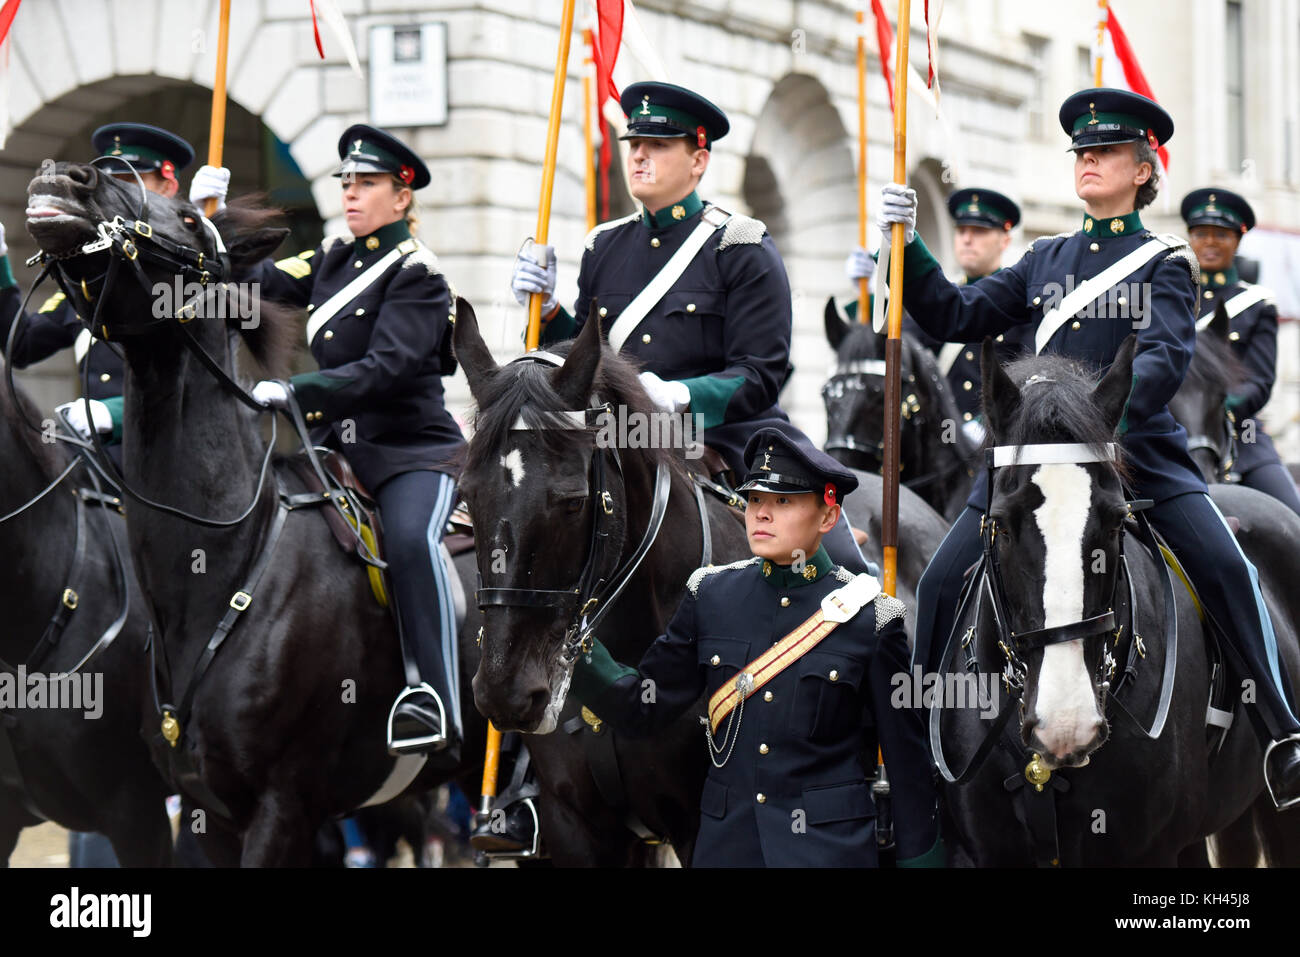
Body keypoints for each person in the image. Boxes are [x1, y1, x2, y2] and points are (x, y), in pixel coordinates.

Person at [877, 88, 1300, 808]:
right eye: (1081, 152)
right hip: (1031, 463)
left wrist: (1096, 427)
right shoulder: (1045, 258)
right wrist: (910, 248)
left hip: (1133, 454)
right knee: (945, 578)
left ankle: (1284, 732)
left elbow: (1164, 359)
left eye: (1103, 152)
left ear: (1143, 169)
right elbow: (956, 311)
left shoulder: (1165, 260)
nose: (1087, 162)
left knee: (1230, 567)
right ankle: (912, 748)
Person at [510, 80, 871, 575]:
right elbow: (585, 358)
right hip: (622, 431)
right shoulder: (603, 246)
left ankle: (856, 615)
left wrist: (681, 395)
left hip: (723, 434)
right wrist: (548, 311)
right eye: (635, 145)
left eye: (657, 146)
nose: (639, 157)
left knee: (834, 566)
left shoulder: (741, 244)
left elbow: (761, 373)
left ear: (698, 160)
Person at [566, 424, 942, 866]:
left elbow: (906, 764)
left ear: (827, 516)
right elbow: (643, 707)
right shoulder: (709, 596)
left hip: (826, 853)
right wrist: (577, 649)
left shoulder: (871, 617)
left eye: (783, 501)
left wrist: (921, 860)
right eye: (757, 499)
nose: (761, 513)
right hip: (727, 849)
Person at [246, 125, 465, 761]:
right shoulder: (332, 258)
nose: (350, 194)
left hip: (407, 451)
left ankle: (435, 696)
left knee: (408, 540)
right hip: (330, 451)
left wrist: (298, 390)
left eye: (366, 184)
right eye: (347, 182)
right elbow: (258, 283)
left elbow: (390, 366)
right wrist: (204, 231)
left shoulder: (420, 274)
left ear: (401, 198)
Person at [0, 123, 228, 462]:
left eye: (128, 183)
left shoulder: (187, 277)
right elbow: (22, 346)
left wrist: (212, 233)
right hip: (99, 467)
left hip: (175, 464)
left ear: (167, 186)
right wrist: (1, 262)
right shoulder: (88, 285)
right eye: (109, 184)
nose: (112, 197)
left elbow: (206, 375)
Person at [839, 188, 1032, 443]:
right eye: (962, 231)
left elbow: (1030, 377)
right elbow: (900, 338)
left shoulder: (1017, 302)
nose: (967, 239)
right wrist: (867, 294)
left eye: (979, 232)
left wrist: (985, 424)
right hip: (943, 445)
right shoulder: (940, 300)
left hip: (996, 441)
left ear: (1005, 240)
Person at [1180, 187, 1300, 514]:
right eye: (1201, 234)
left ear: (1238, 240)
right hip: (1173, 430)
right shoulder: (1171, 298)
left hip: (1240, 435)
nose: (1210, 242)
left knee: (1293, 515)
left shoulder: (1257, 303)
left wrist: (1219, 408)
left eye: (1221, 234)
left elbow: (1259, 382)